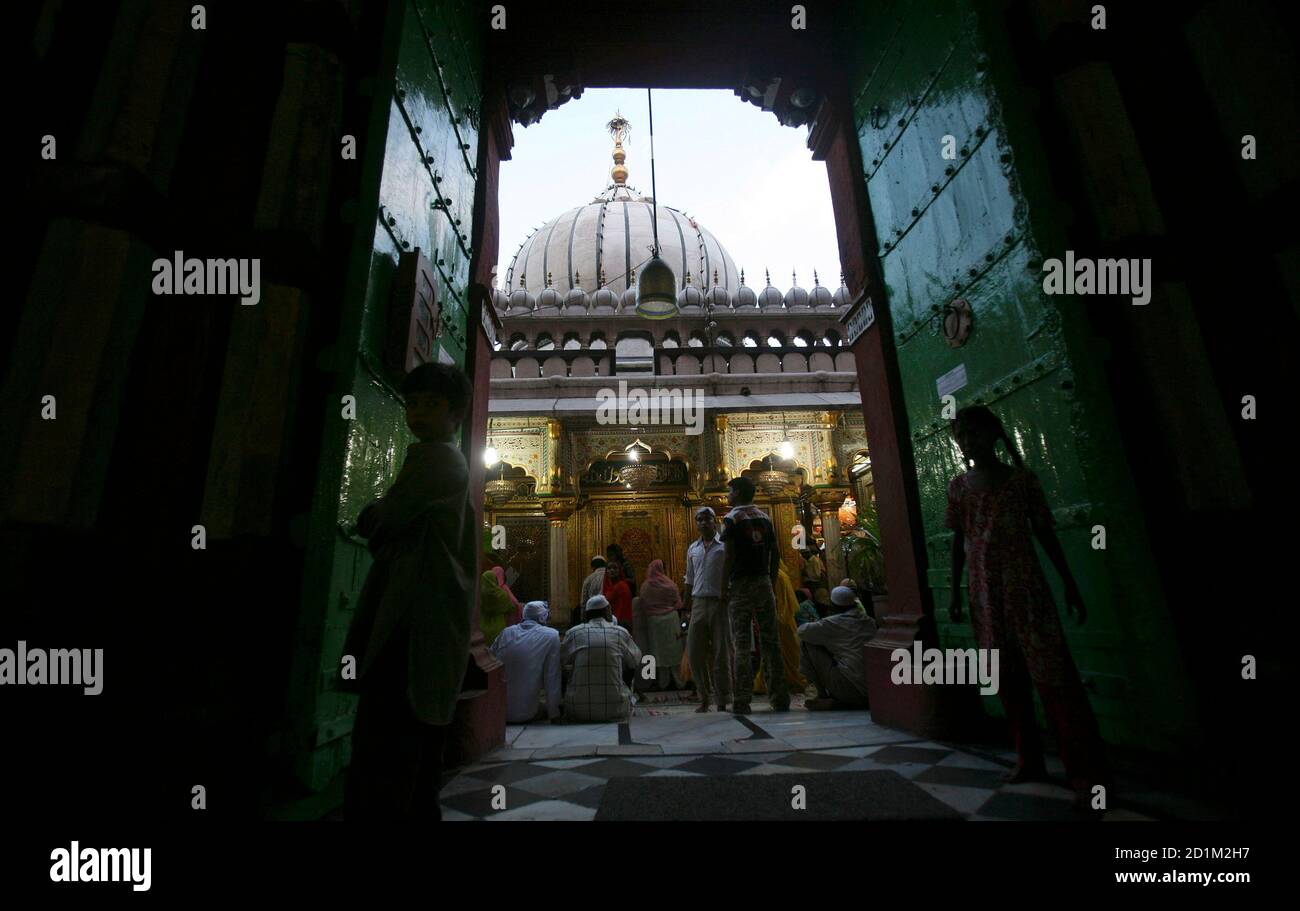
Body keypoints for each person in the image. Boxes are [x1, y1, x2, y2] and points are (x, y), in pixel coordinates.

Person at [946, 404, 1111, 808]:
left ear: (994, 434)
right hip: (985, 592)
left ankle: (1082, 768)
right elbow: (958, 541)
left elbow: (1044, 533)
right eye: (963, 435)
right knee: (1007, 677)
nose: (970, 441)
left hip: (1026, 587)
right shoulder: (959, 487)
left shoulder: (1021, 481)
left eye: (976, 432)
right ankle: (1029, 758)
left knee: (1052, 676)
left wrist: (1070, 583)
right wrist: (955, 591)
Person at [342, 363, 478, 821]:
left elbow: (382, 521)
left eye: (431, 404)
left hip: (413, 615)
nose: (418, 413)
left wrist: (376, 512)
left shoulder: (436, 459)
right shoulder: (448, 459)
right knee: (418, 735)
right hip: (431, 615)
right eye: (412, 403)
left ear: (457, 414)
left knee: (391, 729)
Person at [719, 476, 790, 715]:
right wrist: (769, 580)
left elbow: (728, 556)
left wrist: (723, 586)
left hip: (740, 584)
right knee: (771, 640)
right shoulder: (764, 516)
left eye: (729, 492)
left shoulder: (731, 518)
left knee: (741, 642)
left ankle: (741, 701)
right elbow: (775, 553)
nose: (727, 496)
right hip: (762, 582)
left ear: (737, 493)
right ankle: (780, 699)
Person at [561, 594, 643, 722]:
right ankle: (621, 694)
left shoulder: (573, 633)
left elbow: (559, 662)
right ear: (607, 611)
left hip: (577, 710)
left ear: (586, 614)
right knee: (629, 663)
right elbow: (635, 661)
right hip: (617, 709)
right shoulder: (620, 632)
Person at [684, 507, 733, 712]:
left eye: (707, 519)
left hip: (718, 602)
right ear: (696, 523)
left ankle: (722, 698)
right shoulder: (692, 549)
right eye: (700, 519)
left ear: (715, 521)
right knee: (695, 652)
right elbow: (690, 578)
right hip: (698, 602)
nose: (704, 523)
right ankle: (704, 696)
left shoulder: (724, 546)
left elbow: (732, 572)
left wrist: (727, 592)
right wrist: (686, 605)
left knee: (721, 652)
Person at [798, 585, 876, 710]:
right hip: (874, 691)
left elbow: (801, 631)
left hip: (851, 688)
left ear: (834, 606)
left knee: (807, 642)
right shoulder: (870, 621)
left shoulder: (833, 622)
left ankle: (820, 696)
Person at [490, 601, 561, 724]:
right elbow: (552, 677)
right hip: (526, 713)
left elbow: (491, 659)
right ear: (543, 616)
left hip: (498, 711)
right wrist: (554, 713)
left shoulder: (506, 633)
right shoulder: (551, 635)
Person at [754, 565, 809, 695]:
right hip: (784, 620)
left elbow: (779, 601)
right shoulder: (781, 574)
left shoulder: (775, 576)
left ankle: (770, 682)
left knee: (776, 651)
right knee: (786, 651)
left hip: (779, 620)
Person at [638, 559, 685, 691]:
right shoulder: (670, 585)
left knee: (657, 652)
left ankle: (661, 683)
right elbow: (679, 604)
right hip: (671, 620)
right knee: (675, 651)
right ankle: (680, 682)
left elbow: (642, 605)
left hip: (654, 622)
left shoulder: (646, 586)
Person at [478, 568, 514, 646]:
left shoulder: (478, 596)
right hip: (499, 629)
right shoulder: (503, 595)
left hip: (481, 629)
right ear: (495, 579)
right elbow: (511, 610)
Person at [602, 560, 633, 630]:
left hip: (620, 624)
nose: (612, 570)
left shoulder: (621, 586)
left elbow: (623, 608)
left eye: (615, 568)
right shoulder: (608, 586)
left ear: (619, 570)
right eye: (609, 568)